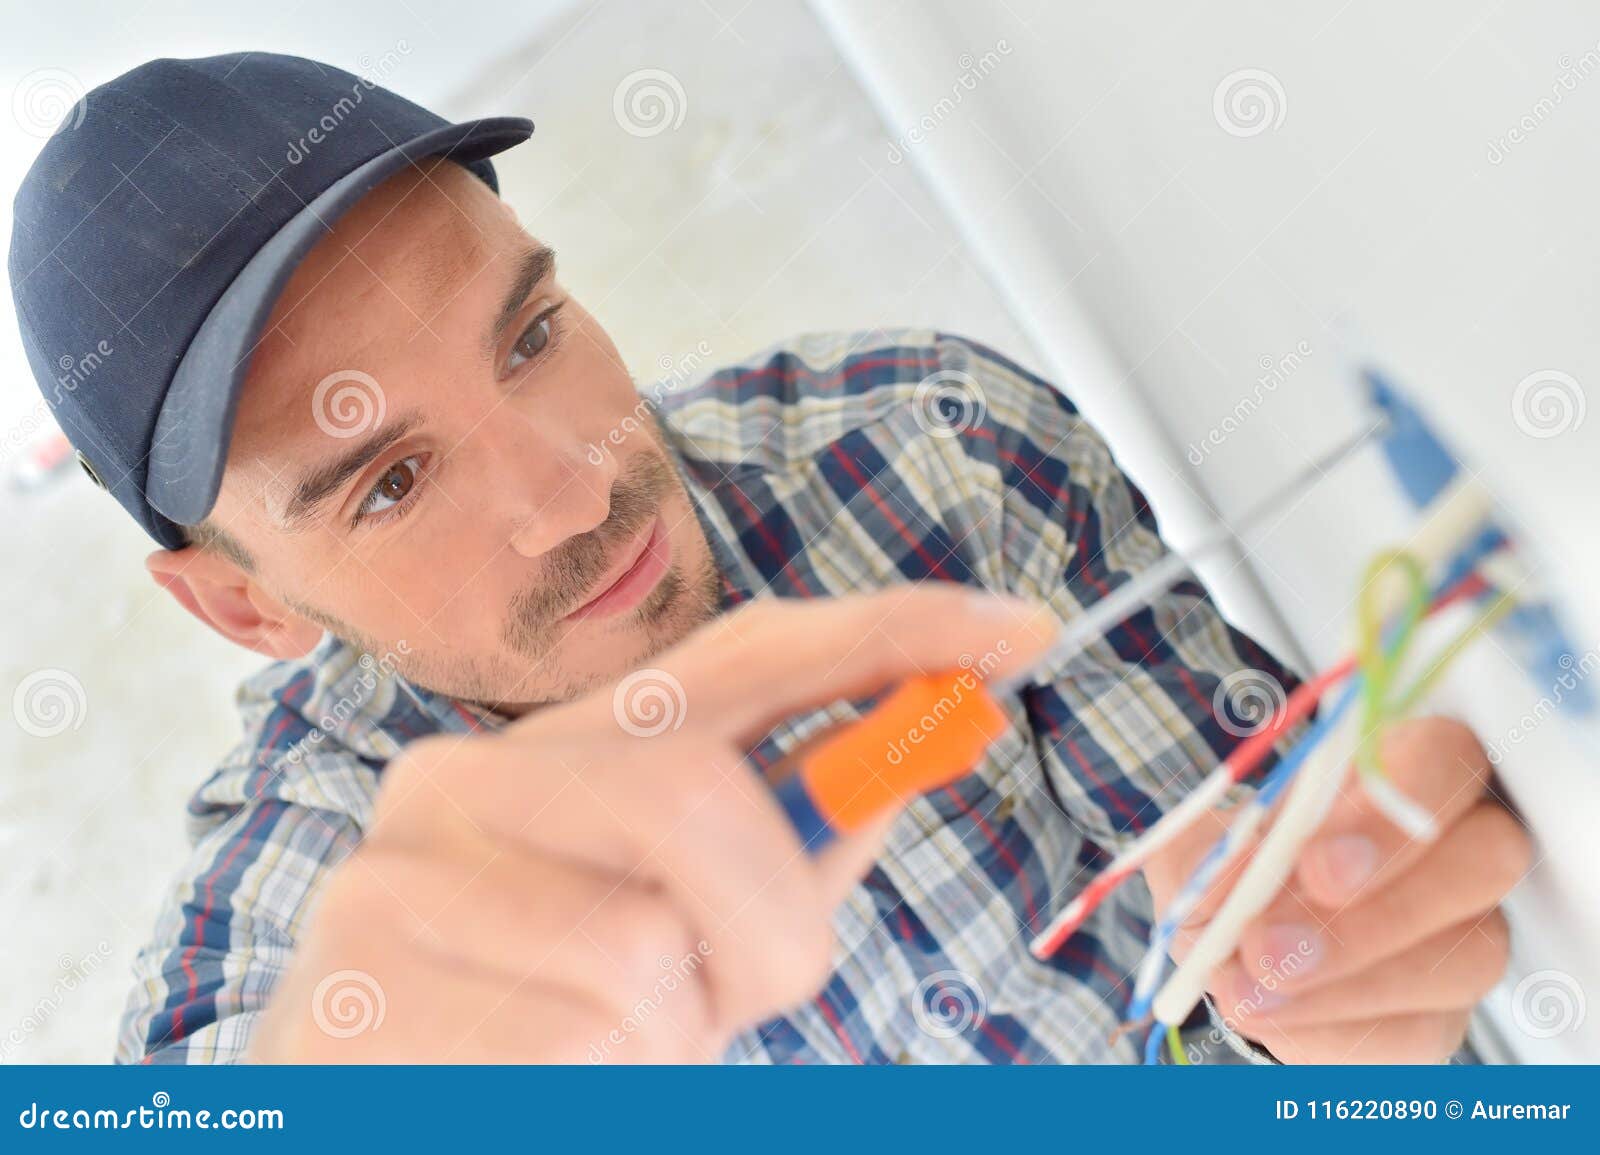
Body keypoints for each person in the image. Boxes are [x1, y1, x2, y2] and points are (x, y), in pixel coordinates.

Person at [8, 53, 1529, 1064]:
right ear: (244, 606)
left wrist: (1338, 1011)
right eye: (393, 482)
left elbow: (1305, 956)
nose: (576, 492)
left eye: (529, 337)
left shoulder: (936, 447)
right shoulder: (302, 884)